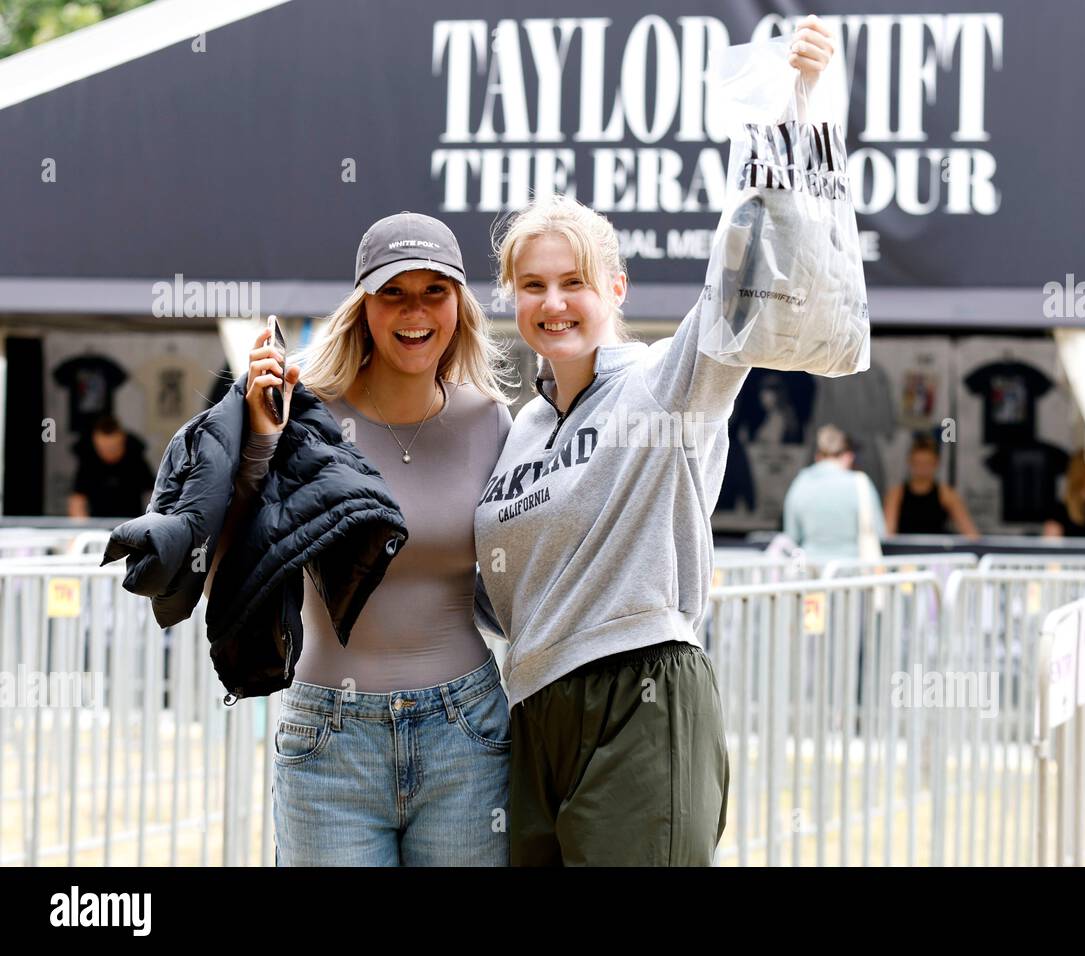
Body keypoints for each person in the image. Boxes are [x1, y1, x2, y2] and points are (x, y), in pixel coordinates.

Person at [474, 15, 839, 866]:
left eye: (575, 282)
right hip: (531, 710)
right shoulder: (516, 430)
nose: (554, 302)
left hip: (641, 694)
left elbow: (746, 277)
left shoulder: (663, 383)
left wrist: (799, 109)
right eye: (533, 285)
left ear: (615, 289)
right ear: (510, 298)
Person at [214, 212, 516, 865]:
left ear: (459, 306)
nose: (416, 311)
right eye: (394, 293)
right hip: (329, 740)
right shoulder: (300, 413)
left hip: (465, 735)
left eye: (435, 290)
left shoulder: (491, 419)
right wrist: (258, 442)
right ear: (363, 306)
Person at [783, 424, 885, 566]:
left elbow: (792, 535)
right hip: (852, 574)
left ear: (818, 457)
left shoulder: (801, 482)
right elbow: (878, 532)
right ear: (849, 457)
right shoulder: (860, 484)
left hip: (811, 574)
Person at [884, 435, 978, 537]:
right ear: (910, 462)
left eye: (927, 464)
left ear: (936, 463)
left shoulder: (946, 494)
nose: (922, 469)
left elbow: (970, 532)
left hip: (936, 550)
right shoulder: (897, 494)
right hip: (905, 551)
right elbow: (888, 532)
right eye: (918, 463)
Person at [68, 414, 156, 517]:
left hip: (131, 524)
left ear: (122, 439)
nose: (108, 453)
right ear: (95, 442)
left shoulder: (136, 458)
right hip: (97, 525)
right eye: (102, 449)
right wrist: (82, 528)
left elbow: (154, 495)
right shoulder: (88, 462)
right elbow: (77, 502)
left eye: (113, 448)